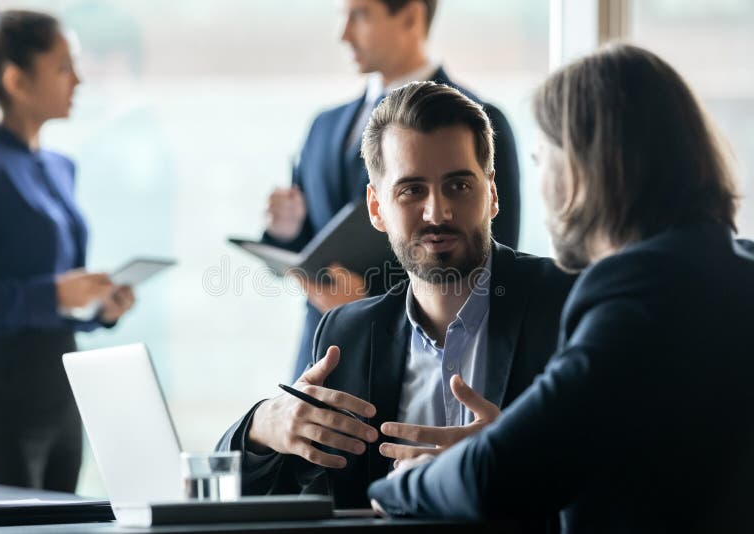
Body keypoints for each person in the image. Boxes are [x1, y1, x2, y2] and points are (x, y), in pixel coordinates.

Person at [367, 44, 754, 533]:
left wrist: (395, 488)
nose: (539, 183)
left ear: (587, 169)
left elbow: (496, 474)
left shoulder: (637, 301)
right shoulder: (733, 271)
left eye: (540, 158)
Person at [217, 82, 573, 511]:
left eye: (458, 186)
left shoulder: (569, 304)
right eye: (411, 190)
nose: (436, 213)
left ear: (492, 194)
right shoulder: (348, 333)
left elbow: (632, 468)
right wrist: (261, 426)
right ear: (376, 207)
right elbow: (271, 497)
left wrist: (513, 460)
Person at [265, 0, 521, 380]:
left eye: (361, 15)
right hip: (317, 360)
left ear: (411, 15)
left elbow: (495, 266)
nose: (344, 34)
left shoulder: (479, 122)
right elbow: (306, 249)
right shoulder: (323, 126)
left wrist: (368, 308)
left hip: (424, 370)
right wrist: (284, 231)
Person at [0, 7, 134, 492]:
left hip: (61, 393)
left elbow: (55, 293)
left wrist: (98, 308)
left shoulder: (59, 167)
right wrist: (51, 295)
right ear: (17, 80)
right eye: (63, 67)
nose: (78, 79)